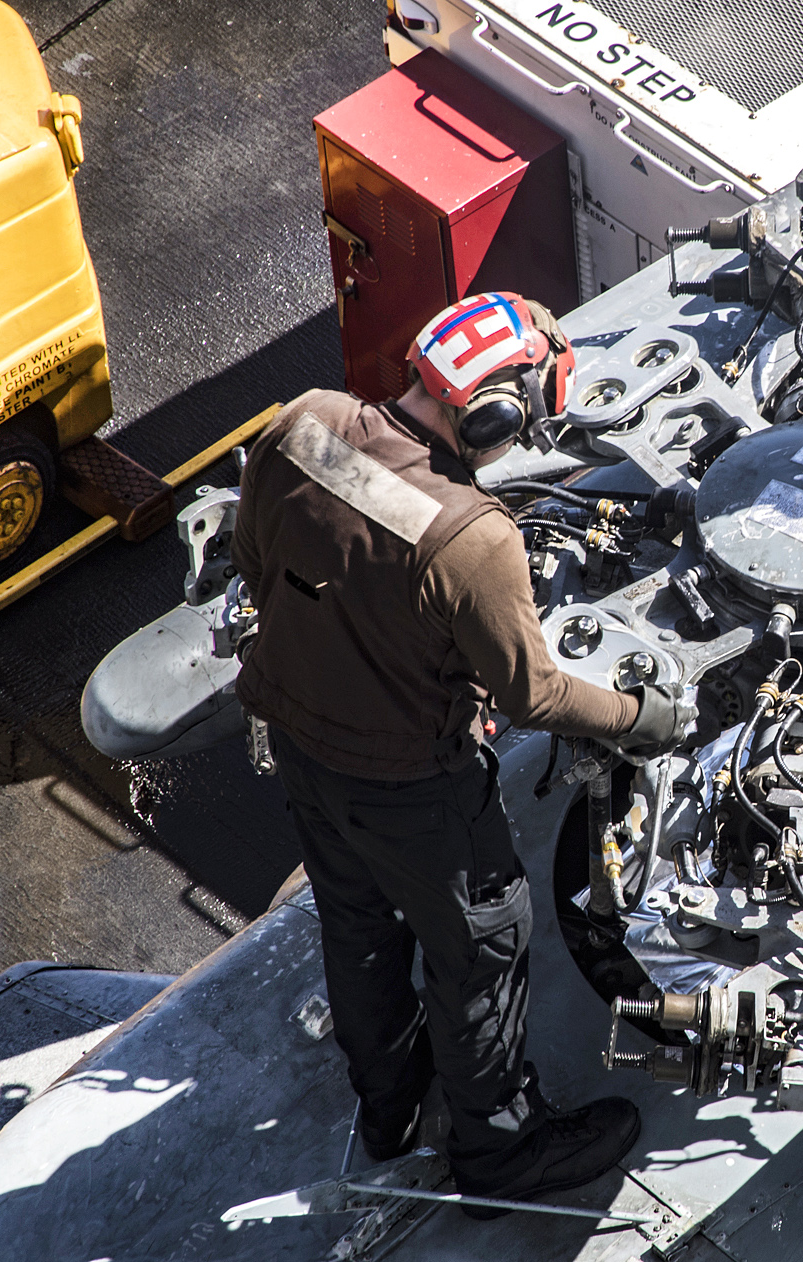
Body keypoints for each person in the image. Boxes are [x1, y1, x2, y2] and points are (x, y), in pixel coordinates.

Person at [230, 292, 691, 1208]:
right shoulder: (475, 540)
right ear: (494, 411)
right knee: (481, 955)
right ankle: (501, 1150)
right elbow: (536, 696)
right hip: (414, 792)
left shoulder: (306, 422)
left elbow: (255, 559)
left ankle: (389, 1108)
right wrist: (646, 717)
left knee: (357, 929)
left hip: (307, 757)